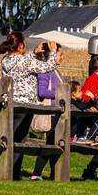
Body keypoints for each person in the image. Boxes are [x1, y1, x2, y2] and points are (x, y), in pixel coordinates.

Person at [0, 32, 59, 180]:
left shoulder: (5, 60)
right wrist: (53, 52)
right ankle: (13, 173)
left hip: (9, 103)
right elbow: (48, 66)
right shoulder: (24, 61)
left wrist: (34, 52)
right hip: (24, 105)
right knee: (19, 140)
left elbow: (22, 63)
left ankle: (7, 170)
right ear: (21, 45)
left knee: (9, 137)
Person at [31, 45, 64, 180]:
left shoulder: (55, 71)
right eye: (60, 54)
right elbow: (42, 91)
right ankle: (37, 173)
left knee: (54, 144)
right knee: (51, 144)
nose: (62, 57)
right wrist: (61, 94)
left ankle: (52, 174)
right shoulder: (45, 70)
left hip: (57, 112)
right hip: (50, 112)